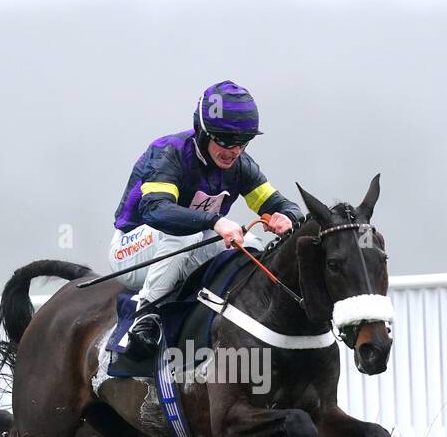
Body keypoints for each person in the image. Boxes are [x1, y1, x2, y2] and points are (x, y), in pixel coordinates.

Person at [107, 80, 303, 359]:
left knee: (250, 241)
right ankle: (146, 318)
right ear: (203, 132)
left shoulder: (241, 165)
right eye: (224, 140)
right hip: (133, 252)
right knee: (184, 233)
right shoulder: (169, 152)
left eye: (242, 142)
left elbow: (281, 204)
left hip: (184, 251)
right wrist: (214, 221)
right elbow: (156, 210)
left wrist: (288, 217)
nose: (234, 151)